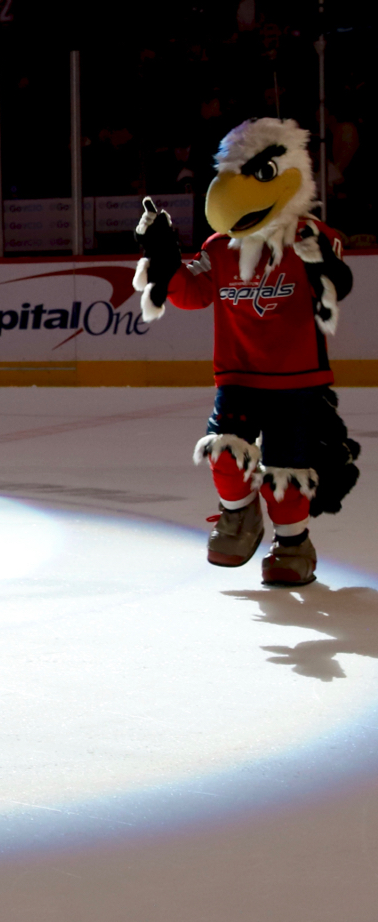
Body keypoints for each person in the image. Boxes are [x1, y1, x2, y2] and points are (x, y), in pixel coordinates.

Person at [134, 117, 359, 586]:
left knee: (287, 471)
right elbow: (190, 294)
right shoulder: (221, 248)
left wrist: (325, 263)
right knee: (225, 455)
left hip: (297, 381)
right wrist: (164, 255)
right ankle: (239, 517)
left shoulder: (310, 237)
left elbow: (340, 283)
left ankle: (293, 542)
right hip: (237, 377)